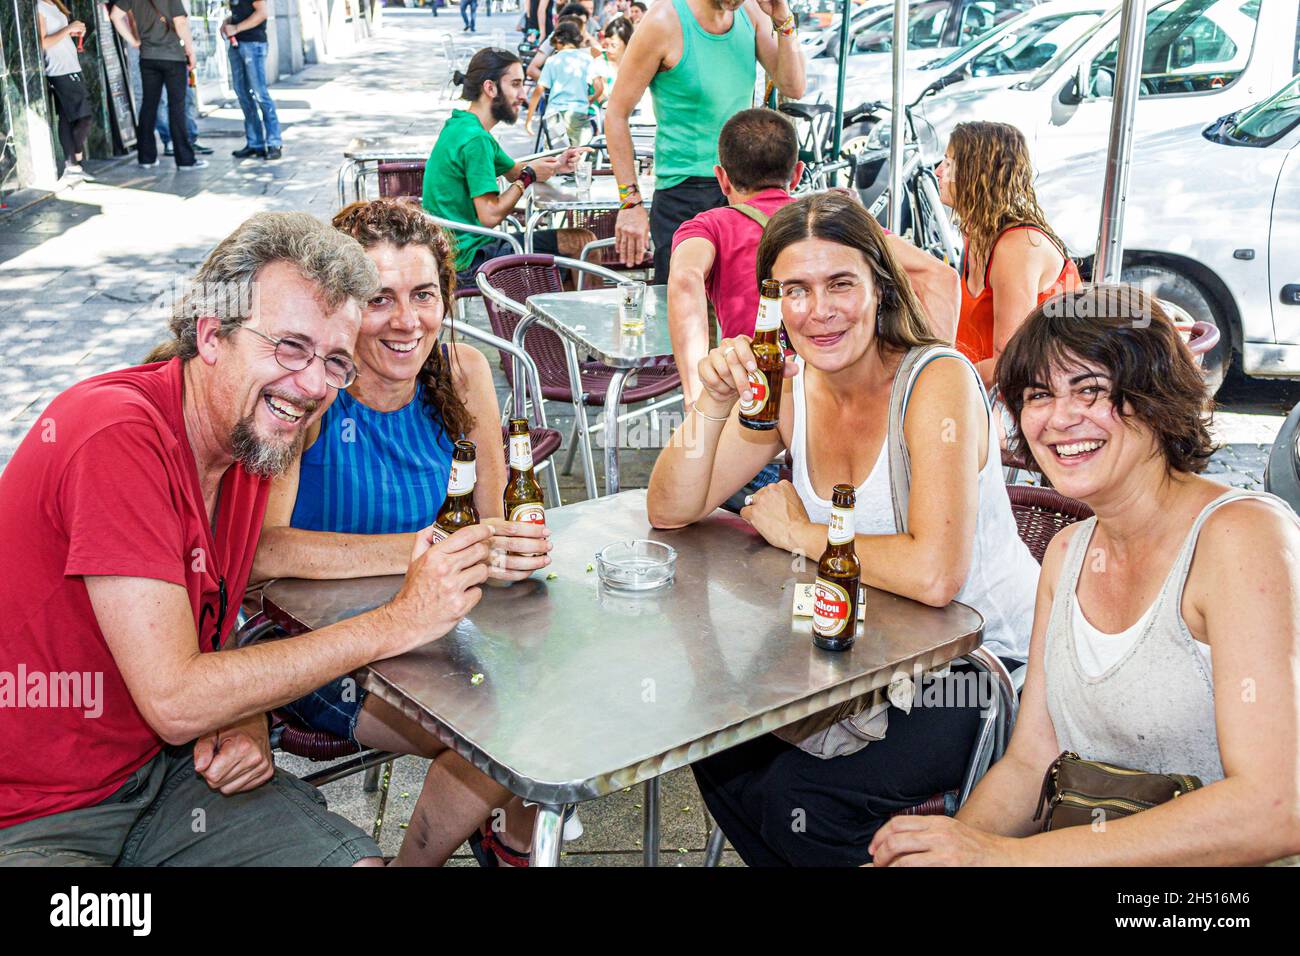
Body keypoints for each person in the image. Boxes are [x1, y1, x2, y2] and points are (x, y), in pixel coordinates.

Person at [0, 212, 497, 866]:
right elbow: (177, 698)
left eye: (334, 361)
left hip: (174, 777)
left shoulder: (247, 448)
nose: (314, 384)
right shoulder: (114, 435)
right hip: (33, 814)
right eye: (290, 347)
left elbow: (208, 628)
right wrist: (395, 621)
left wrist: (243, 716)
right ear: (212, 335)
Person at [646, 192, 1039, 866]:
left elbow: (935, 575)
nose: (818, 310)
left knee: (802, 799)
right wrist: (710, 401)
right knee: (713, 745)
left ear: (879, 287)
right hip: (865, 653)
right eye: (795, 289)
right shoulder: (794, 388)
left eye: (840, 284)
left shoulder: (934, 380)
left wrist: (804, 535)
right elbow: (671, 507)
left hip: (985, 667)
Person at [870, 285, 1300, 866]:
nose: (1060, 418)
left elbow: (1276, 807)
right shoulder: (1067, 553)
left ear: (1157, 397)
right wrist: (952, 850)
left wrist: (1003, 860)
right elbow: (1031, 762)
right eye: (1038, 394)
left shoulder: (1241, 538)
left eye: (1091, 389)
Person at [248, 199, 555, 866]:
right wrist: (429, 548)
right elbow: (261, 555)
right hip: (316, 647)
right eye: (381, 298)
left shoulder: (463, 373)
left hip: (443, 632)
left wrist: (508, 546)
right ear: (344, 304)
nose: (408, 321)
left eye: (424, 294)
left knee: (550, 699)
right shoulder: (309, 390)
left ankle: (512, 837)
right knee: (500, 735)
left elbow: (493, 517)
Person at [668, 107, 960, 408]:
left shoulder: (710, 225)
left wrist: (695, 396)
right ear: (796, 174)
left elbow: (684, 277)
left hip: (758, 394)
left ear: (722, 178)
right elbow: (940, 276)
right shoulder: (830, 219)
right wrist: (929, 388)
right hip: (841, 393)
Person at [608, 0, 806, 283]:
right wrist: (630, 203)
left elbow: (793, 85)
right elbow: (616, 113)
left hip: (746, 186)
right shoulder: (664, 20)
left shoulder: (750, 13)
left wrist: (783, 18)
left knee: (751, 305)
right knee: (683, 310)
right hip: (685, 190)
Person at [422, 48, 594, 288]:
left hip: (452, 251)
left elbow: (515, 170)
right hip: (468, 260)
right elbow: (490, 215)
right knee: (583, 243)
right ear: (490, 88)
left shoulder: (464, 125)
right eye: (515, 84)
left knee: (570, 256)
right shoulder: (476, 140)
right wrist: (528, 177)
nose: (523, 95)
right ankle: (584, 321)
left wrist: (557, 165)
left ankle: (552, 319)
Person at [937, 120, 1080, 391]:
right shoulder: (978, 234)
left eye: (949, 163)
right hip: (978, 392)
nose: (938, 171)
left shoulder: (1017, 245)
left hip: (1030, 401)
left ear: (976, 172)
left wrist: (935, 382)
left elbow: (1008, 364)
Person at [109, 0, 207, 169]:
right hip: (173, 57)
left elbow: (115, 16)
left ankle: (146, 158)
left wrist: (133, 41)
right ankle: (185, 160)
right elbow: (180, 22)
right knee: (176, 107)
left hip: (147, 57)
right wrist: (190, 51)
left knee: (149, 105)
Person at [35, 0, 91, 177]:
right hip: (58, 69)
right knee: (84, 117)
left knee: (67, 118)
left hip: (72, 65)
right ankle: (76, 158)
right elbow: (43, 43)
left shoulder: (55, 4)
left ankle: (73, 166)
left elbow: (58, 36)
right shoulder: (39, 7)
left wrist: (72, 31)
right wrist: (67, 29)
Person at [222, 0, 283, 161]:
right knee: (242, 93)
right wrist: (229, 21)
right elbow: (243, 11)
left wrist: (236, 27)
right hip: (236, 44)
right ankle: (255, 143)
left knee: (260, 94)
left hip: (253, 45)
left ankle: (274, 143)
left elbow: (262, 13)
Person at [526, 21, 594, 145]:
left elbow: (539, 89)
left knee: (554, 158)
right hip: (578, 112)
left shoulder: (552, 60)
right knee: (580, 154)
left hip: (554, 114)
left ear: (557, 40)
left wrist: (529, 118)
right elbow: (598, 86)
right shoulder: (587, 59)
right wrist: (589, 100)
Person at [526, 2, 601, 80]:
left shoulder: (587, 38)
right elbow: (532, 69)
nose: (581, 27)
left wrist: (587, 36)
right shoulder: (557, 37)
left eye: (584, 23)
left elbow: (603, 57)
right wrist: (554, 85)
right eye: (578, 23)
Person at [588, 13, 633, 111]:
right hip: (602, 115)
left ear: (627, 43)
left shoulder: (634, 64)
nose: (608, 49)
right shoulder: (599, 63)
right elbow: (602, 97)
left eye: (613, 45)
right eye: (606, 45)